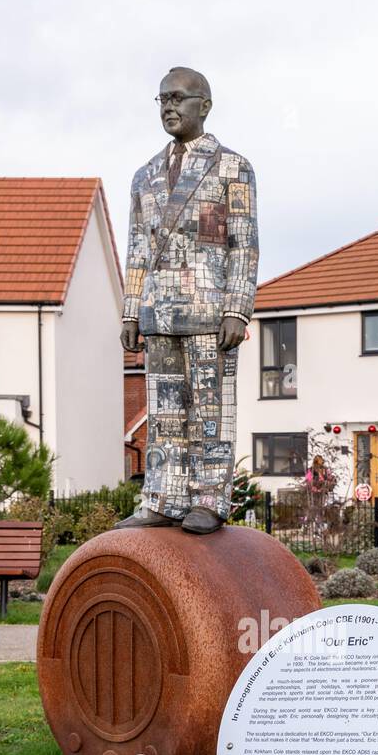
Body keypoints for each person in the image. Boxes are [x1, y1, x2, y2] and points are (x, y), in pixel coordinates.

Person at [118, 66, 259, 533]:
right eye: (161, 100)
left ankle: (208, 500)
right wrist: (130, 309)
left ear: (205, 105)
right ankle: (161, 497)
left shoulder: (232, 167)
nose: (169, 107)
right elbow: (137, 247)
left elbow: (244, 243)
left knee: (211, 412)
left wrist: (238, 308)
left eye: (178, 98)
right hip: (158, 313)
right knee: (164, 413)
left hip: (208, 312)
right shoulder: (144, 176)